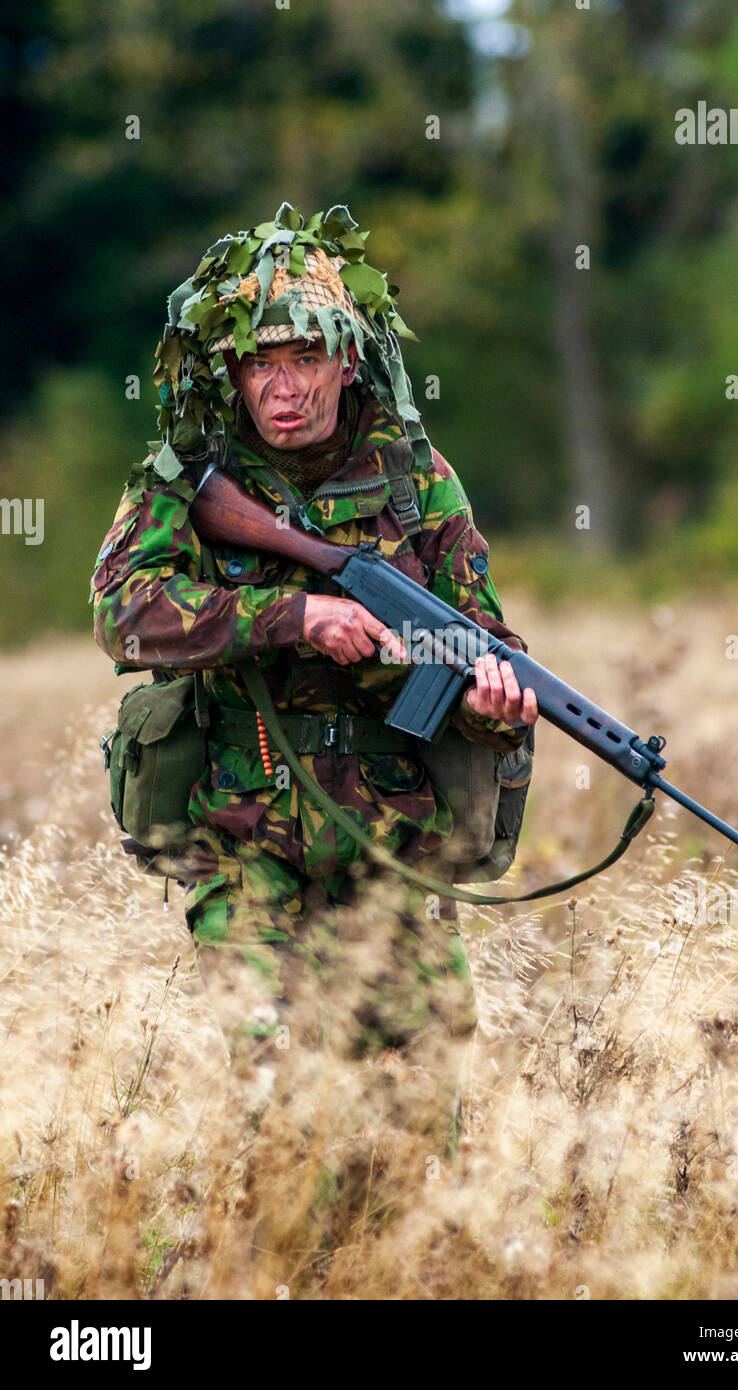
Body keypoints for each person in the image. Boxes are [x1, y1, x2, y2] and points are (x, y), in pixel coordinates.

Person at [91, 204, 538, 1153]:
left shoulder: (416, 477)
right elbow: (123, 611)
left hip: (387, 848)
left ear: (347, 358)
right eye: (260, 364)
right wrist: (294, 616)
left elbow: (482, 633)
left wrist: (498, 711)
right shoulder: (190, 476)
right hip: (240, 835)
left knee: (419, 1130)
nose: (282, 388)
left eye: (302, 359)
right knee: (277, 1116)